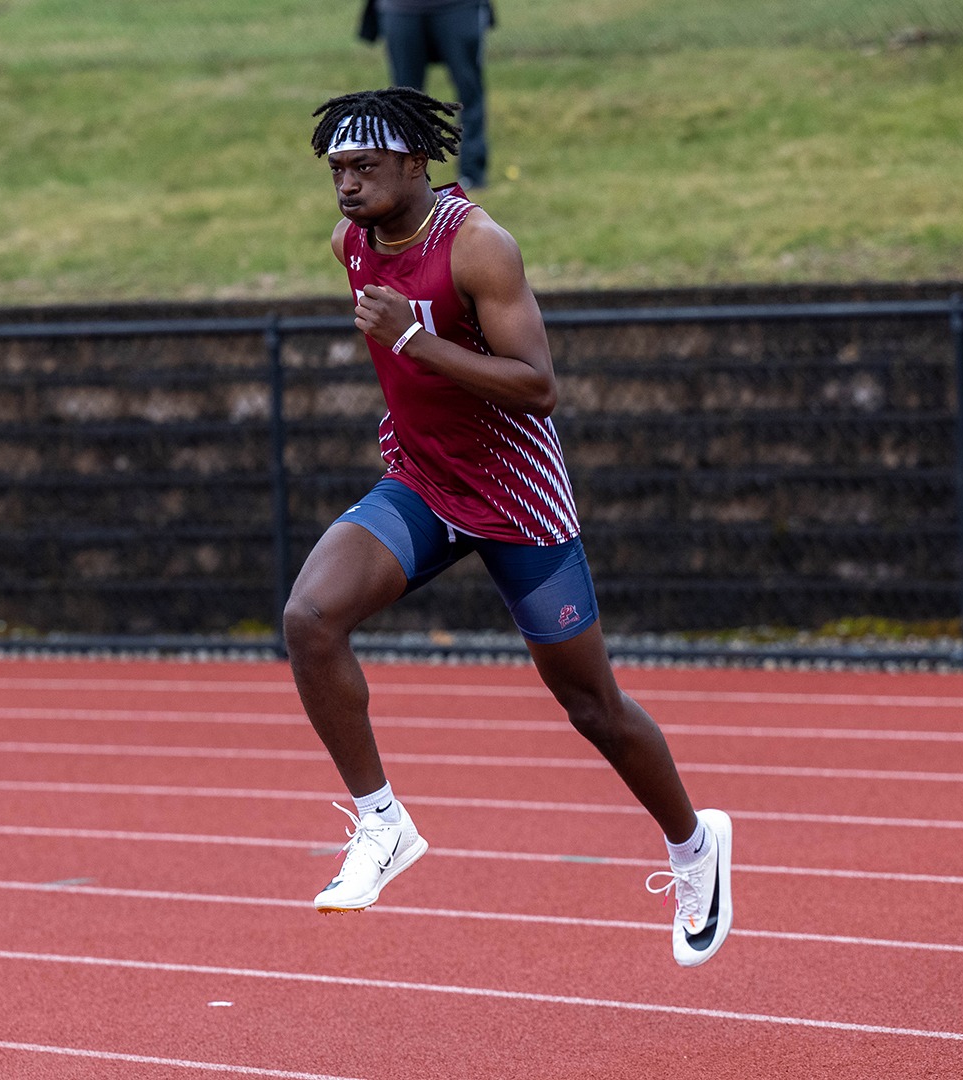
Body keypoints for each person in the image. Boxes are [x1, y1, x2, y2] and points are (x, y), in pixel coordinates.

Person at [287, 87, 732, 967]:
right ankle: (383, 826)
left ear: (417, 164)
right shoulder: (351, 245)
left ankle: (694, 846)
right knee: (310, 617)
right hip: (421, 480)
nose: (347, 186)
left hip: (517, 497)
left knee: (590, 705)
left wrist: (414, 340)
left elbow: (538, 386)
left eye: (365, 168)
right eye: (336, 170)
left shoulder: (479, 247)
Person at [366, 0, 491, 190]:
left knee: (469, 91)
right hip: (401, 9)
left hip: (459, 7)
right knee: (404, 100)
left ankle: (472, 173)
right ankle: (408, 172)